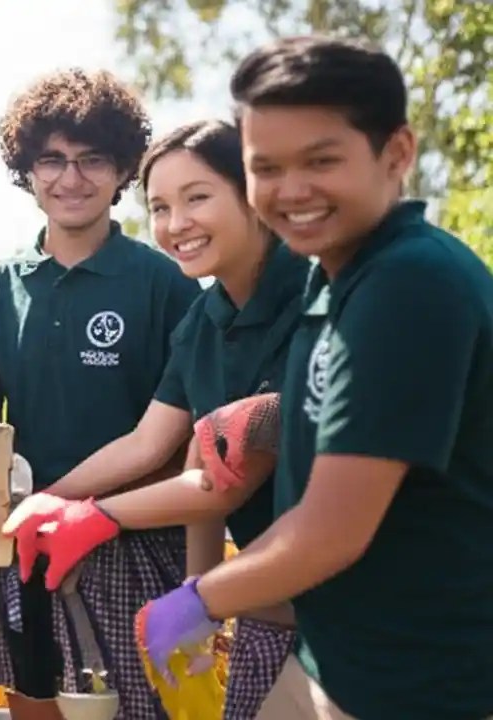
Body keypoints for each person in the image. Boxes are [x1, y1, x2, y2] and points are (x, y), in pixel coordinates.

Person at [135, 35, 493, 720]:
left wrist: (196, 601)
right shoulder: (336, 287)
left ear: (397, 153)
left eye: (321, 161)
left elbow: (331, 531)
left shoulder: (408, 284)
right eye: (265, 167)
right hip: (335, 661)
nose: (290, 191)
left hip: (428, 681)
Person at [2, 119, 309, 719]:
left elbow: (232, 472)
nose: (176, 224)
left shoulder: (314, 298)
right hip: (270, 609)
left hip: (371, 611)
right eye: (161, 207)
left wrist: (93, 516)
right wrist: (47, 502)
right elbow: (153, 444)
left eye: (197, 197)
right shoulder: (201, 326)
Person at [0, 68, 202, 717]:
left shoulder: (165, 283)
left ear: (124, 168)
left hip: (134, 539)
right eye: (52, 160)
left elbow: (176, 433)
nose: (71, 179)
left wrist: (85, 507)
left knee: (140, 704)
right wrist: (1, 477)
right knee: (35, 695)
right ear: (27, 170)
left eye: (92, 159)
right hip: (28, 534)